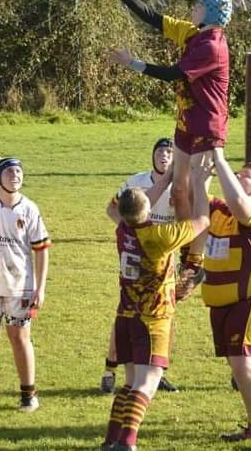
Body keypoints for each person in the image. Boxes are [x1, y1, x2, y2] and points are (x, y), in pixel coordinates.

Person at [95, 0, 231, 226]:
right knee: (178, 191)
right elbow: (153, 18)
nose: (194, 8)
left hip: (207, 125)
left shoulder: (212, 46)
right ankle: (183, 245)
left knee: (195, 190)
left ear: (211, 13)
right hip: (186, 121)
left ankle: (194, 258)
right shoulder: (193, 33)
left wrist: (132, 63)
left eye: (199, 5)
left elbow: (173, 74)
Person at [100, 165, 211, 451]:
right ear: (148, 208)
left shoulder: (123, 229)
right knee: (148, 382)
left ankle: (111, 439)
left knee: (129, 384)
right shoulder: (161, 237)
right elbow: (201, 220)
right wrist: (200, 183)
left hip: (125, 314)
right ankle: (127, 443)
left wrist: (171, 173)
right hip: (152, 318)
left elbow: (136, 202)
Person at [186, 149, 251, 451]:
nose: (239, 177)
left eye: (246, 177)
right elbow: (197, 215)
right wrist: (199, 180)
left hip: (250, 297)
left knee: (245, 366)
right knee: (240, 367)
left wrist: (220, 158)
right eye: (238, 174)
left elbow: (239, 203)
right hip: (221, 299)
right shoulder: (220, 209)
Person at [0, 158, 51, 412]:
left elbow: (41, 250)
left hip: (20, 285)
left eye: (18, 171)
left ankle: (29, 394)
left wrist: (40, 287)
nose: (15, 175)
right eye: (9, 171)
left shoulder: (29, 209)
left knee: (19, 337)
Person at [101, 137, 181, 394]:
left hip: (162, 259)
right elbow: (111, 209)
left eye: (169, 153)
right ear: (152, 155)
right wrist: (129, 232)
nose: (164, 156)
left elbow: (182, 221)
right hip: (136, 258)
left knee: (164, 315)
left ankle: (158, 370)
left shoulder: (178, 186)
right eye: (160, 152)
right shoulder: (136, 182)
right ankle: (110, 370)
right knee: (126, 312)